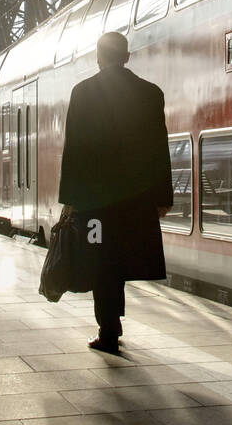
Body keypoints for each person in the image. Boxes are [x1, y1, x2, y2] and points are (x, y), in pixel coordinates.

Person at [58, 31, 172, 354]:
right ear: (127, 56)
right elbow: (159, 150)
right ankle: (112, 322)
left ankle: (108, 328)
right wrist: (163, 198)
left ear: (98, 57)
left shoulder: (83, 93)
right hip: (134, 203)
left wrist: (70, 199)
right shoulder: (151, 94)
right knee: (120, 259)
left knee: (101, 259)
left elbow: (74, 151)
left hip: (96, 206)